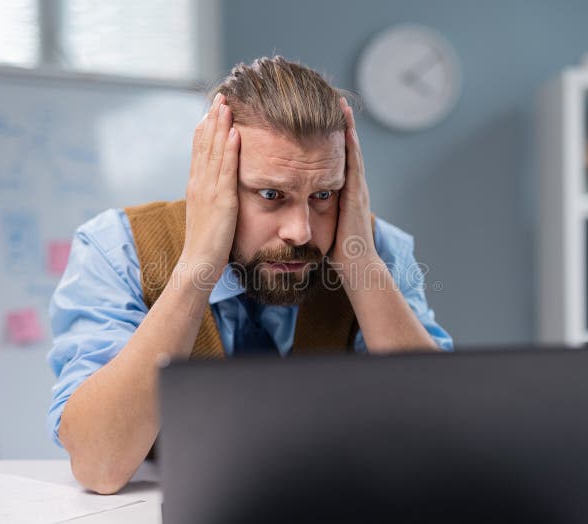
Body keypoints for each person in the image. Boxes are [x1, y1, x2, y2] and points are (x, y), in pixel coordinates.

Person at [47, 56, 452, 495]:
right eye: (271, 194)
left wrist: (361, 264)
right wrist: (199, 264)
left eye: (322, 195)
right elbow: (98, 465)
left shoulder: (376, 249)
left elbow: (447, 443)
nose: (300, 230)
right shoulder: (116, 249)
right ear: (212, 181)